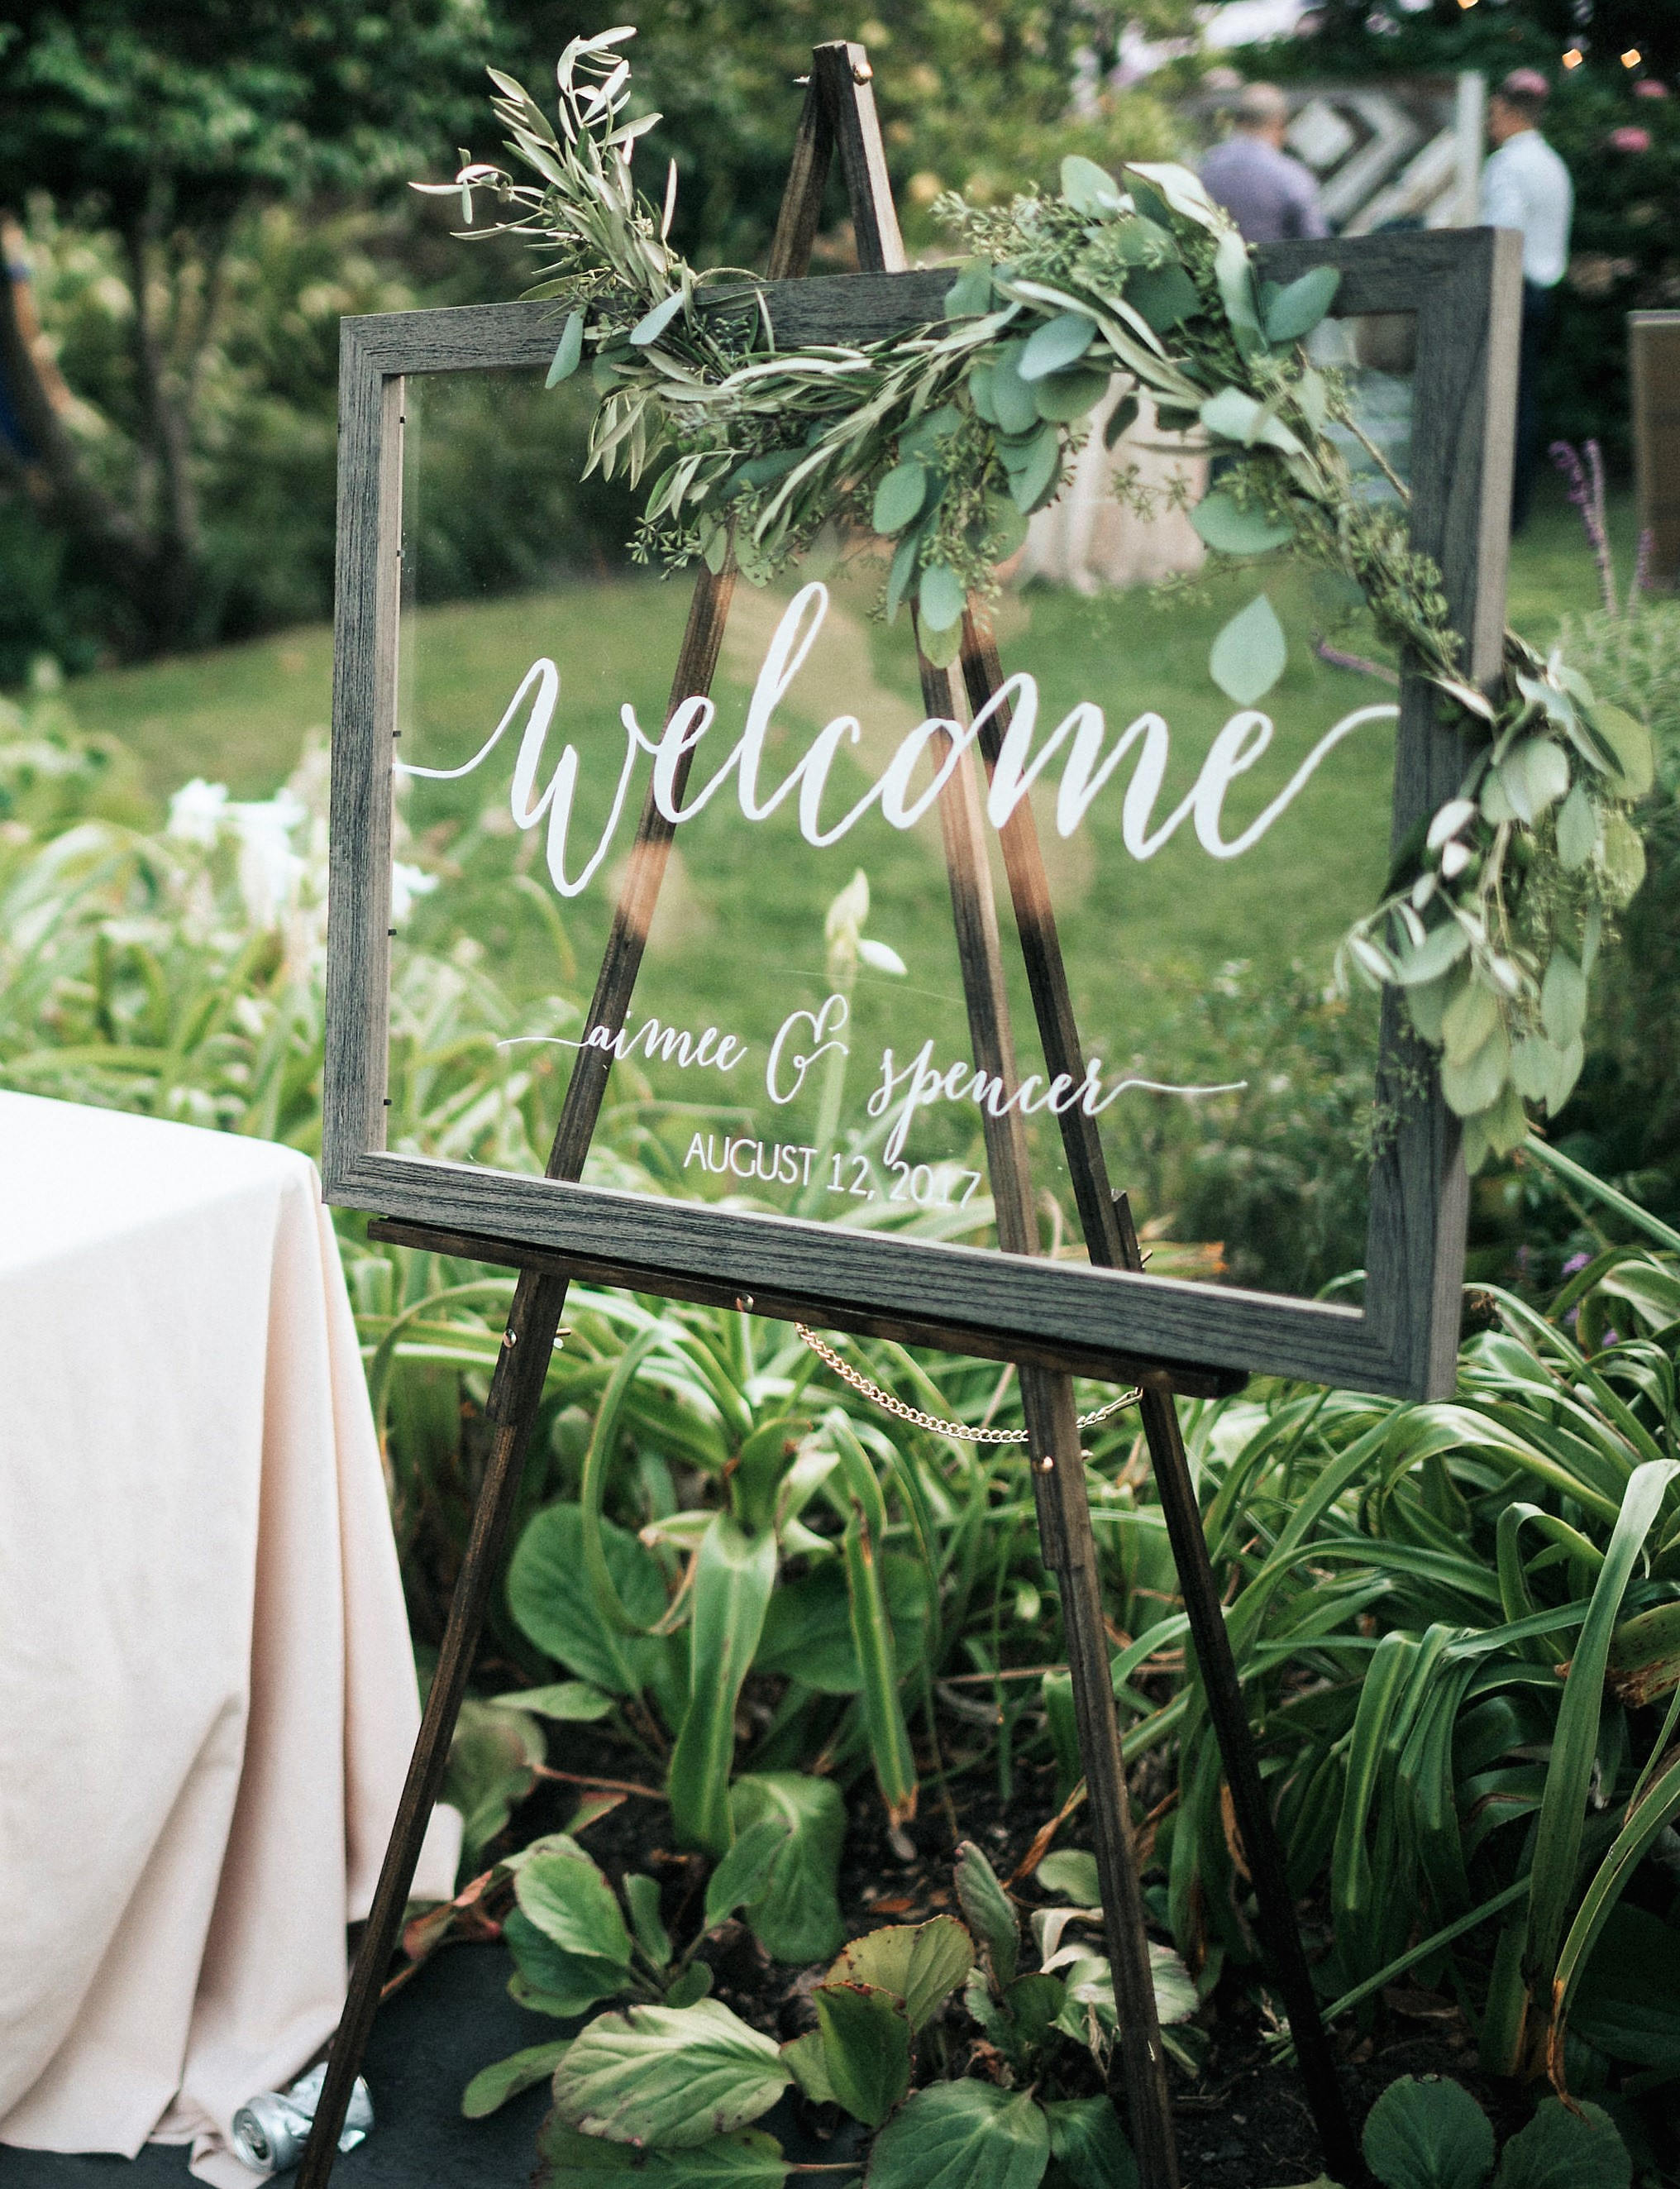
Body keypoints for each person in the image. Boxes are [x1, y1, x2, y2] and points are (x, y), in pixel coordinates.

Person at [1480, 68, 1573, 531]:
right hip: (1542, 289)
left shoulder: (1508, 164)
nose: (1489, 125)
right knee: (1523, 401)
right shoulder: (1553, 164)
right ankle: (1516, 508)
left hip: (1511, 289)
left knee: (1500, 403)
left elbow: (1501, 234)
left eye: (1494, 113)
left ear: (1510, 111)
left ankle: (1502, 509)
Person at [1200, 84, 1329, 246]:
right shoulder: (1291, 176)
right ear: (1278, 121)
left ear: (1240, 120)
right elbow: (1317, 243)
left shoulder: (1207, 165)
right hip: (1277, 268)